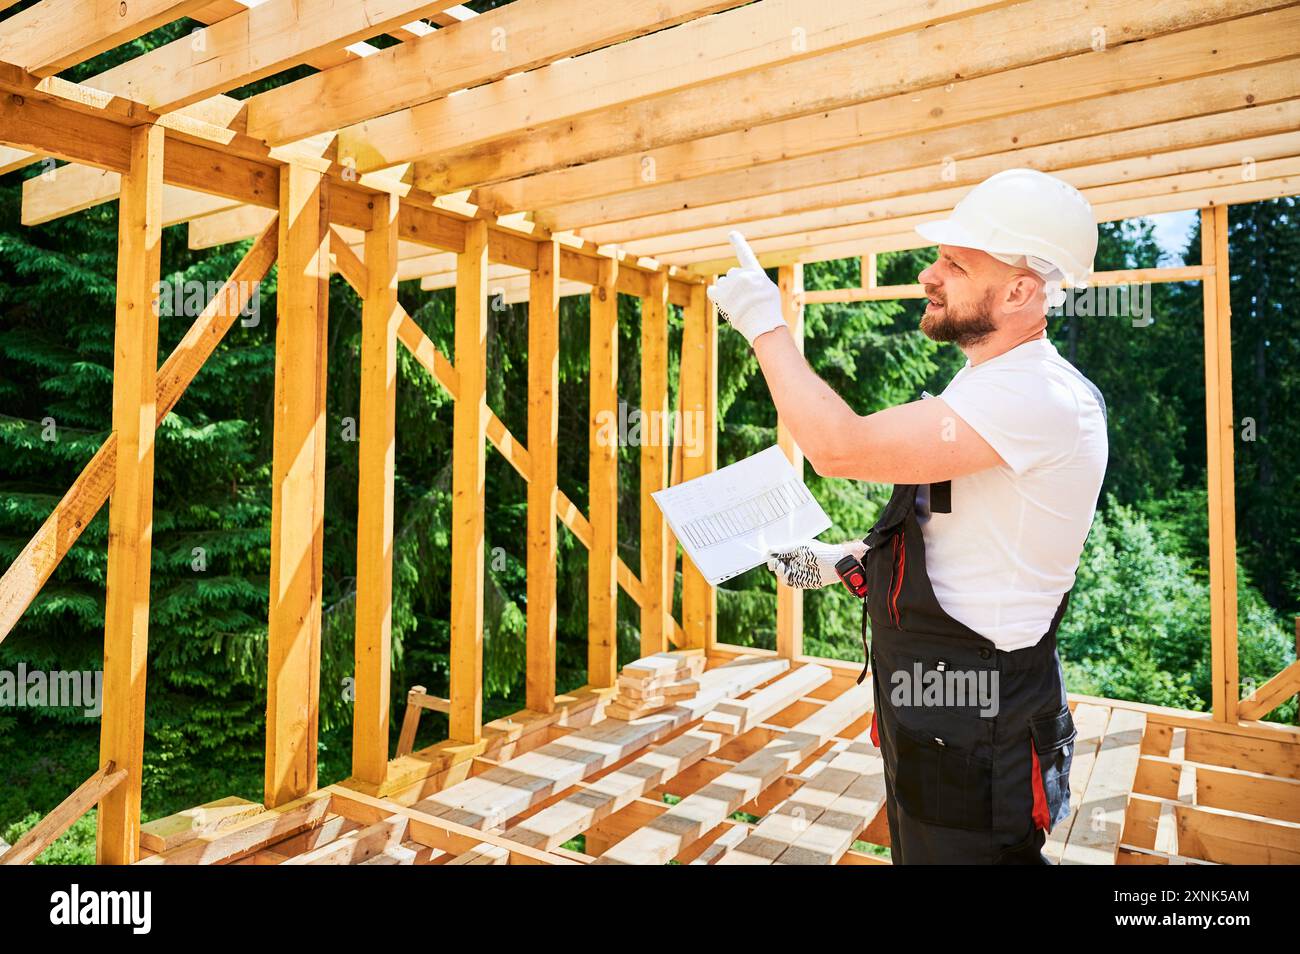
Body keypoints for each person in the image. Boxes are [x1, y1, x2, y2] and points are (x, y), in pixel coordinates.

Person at [705, 168, 1108, 864]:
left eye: (956, 262)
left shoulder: (1040, 395)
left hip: (980, 708)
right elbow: (959, 532)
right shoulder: (986, 382)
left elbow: (839, 448)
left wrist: (763, 325)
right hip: (941, 696)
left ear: (1019, 291)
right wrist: (847, 562)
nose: (930, 273)